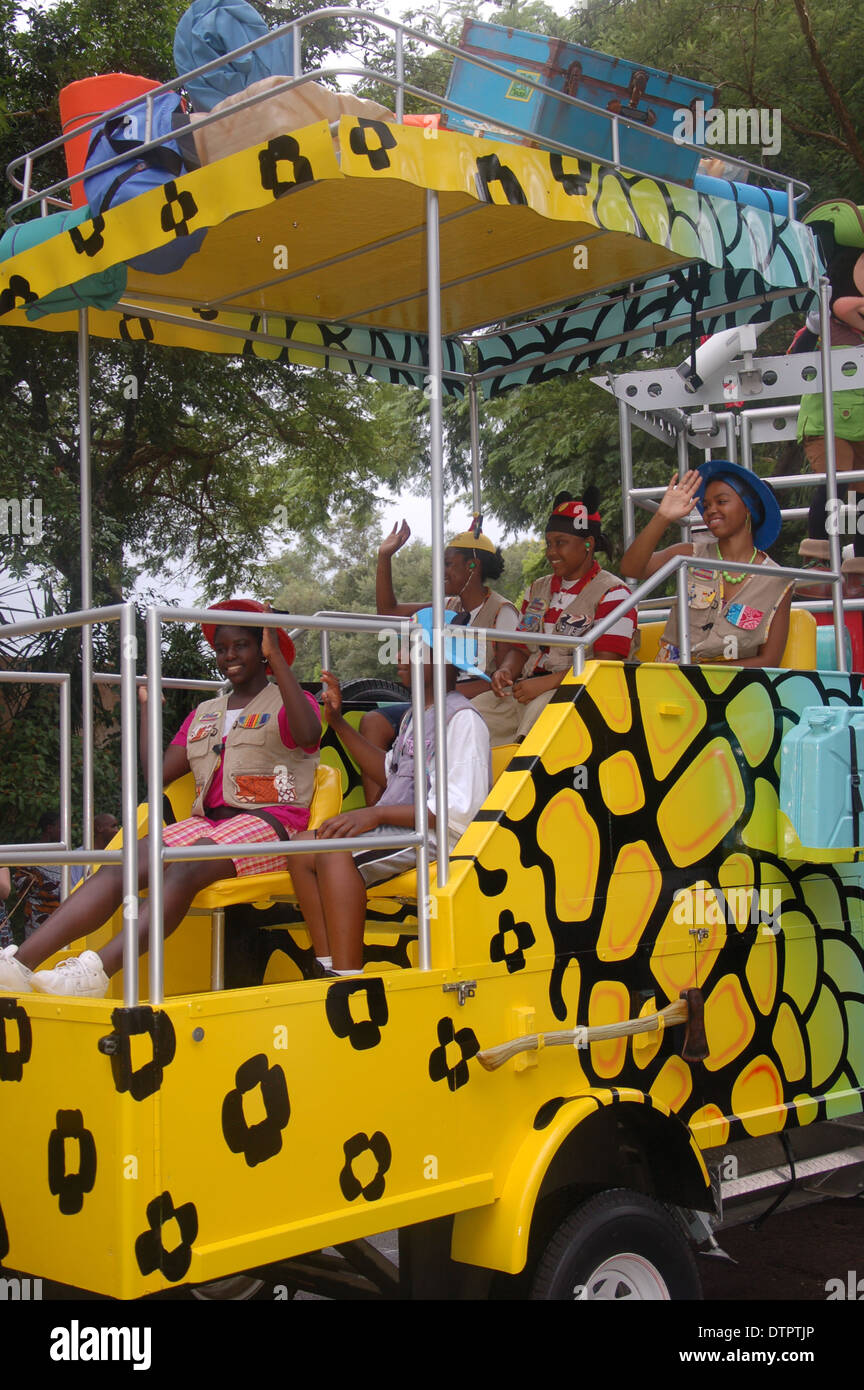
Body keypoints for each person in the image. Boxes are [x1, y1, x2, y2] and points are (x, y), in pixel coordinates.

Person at [0, 598, 321, 998]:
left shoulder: (293, 701)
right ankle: (18, 962)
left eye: (242, 645)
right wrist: (149, 708)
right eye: (221, 649)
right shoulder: (207, 711)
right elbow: (158, 773)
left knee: (187, 864)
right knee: (128, 862)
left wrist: (281, 663)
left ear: (264, 650)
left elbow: (308, 736)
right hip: (210, 822)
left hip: (270, 822)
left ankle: (94, 973)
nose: (229, 656)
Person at [289, 609, 492, 976]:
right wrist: (336, 721)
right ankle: (325, 965)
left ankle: (346, 978)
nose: (399, 657)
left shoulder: (463, 719)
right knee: (303, 848)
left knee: (334, 853)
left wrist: (377, 814)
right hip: (402, 827)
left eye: (412, 648)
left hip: (436, 835)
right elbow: (388, 771)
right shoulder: (418, 714)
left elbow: (455, 811)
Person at [362, 519, 519, 800]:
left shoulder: (502, 611)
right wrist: (384, 556)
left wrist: (444, 693)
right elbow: (388, 611)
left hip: (478, 702)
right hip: (441, 697)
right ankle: (378, 813)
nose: (441, 571)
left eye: (448, 564)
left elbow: (501, 680)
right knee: (372, 722)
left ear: (473, 565)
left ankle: (407, 818)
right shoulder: (448, 607)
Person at [471, 488, 639, 746]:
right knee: (468, 717)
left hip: (580, 692)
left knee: (539, 717)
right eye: (549, 543)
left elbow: (604, 667)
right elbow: (521, 647)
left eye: (560, 542)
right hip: (525, 689)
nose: (551, 551)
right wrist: (505, 670)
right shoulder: (537, 588)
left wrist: (545, 684)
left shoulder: (615, 593)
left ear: (588, 544)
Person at [620, 460, 792, 666]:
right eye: (707, 505)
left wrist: (702, 674)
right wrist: (662, 517)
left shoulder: (778, 579)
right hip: (671, 681)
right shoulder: (688, 554)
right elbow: (631, 568)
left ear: (748, 508)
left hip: (733, 688)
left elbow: (770, 659)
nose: (711, 510)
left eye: (721, 501)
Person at [69, 812, 121, 890]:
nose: (117, 831)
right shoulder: (77, 856)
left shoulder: (117, 855)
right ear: (99, 828)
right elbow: (72, 888)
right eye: (113, 826)